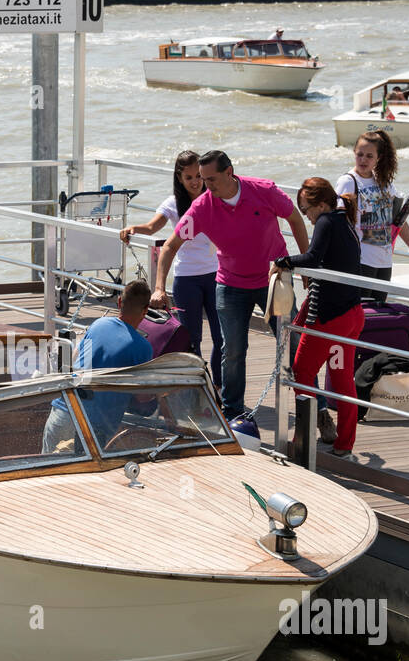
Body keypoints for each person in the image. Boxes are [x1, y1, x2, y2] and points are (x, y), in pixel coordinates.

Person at [149, 150, 309, 429]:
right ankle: (234, 413)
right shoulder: (201, 208)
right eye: (201, 179)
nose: (206, 185)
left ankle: (311, 410)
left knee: (294, 345)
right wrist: (159, 287)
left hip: (274, 280)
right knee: (232, 350)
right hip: (230, 284)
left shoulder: (265, 190)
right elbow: (170, 247)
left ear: (230, 172)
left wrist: (304, 265)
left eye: (211, 179)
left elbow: (296, 220)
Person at [274, 178, 364, 457]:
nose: (307, 217)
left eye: (307, 210)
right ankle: (344, 445)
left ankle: (304, 438)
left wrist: (283, 261)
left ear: (322, 204)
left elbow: (312, 257)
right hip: (351, 315)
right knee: (342, 380)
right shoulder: (345, 221)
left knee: (302, 373)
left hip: (328, 318)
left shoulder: (326, 221)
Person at [119, 150, 222, 390]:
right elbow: (153, 227)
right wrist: (134, 228)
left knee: (221, 338)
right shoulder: (173, 203)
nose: (196, 182)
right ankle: (196, 387)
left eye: (199, 176)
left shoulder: (214, 198)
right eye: (189, 177)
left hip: (216, 276)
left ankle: (219, 387)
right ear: (179, 178)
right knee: (192, 338)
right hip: (187, 279)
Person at [43, 279, 153, 452]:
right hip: (93, 427)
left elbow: (73, 360)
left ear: (119, 302)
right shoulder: (143, 347)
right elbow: (142, 397)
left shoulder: (97, 325)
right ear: (146, 310)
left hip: (63, 411)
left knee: (46, 474)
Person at [336, 130, 409, 302]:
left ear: (379, 157)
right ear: (354, 153)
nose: (363, 160)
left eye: (369, 156)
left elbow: (398, 222)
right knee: (361, 316)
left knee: (377, 317)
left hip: (384, 262)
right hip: (361, 260)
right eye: (360, 154)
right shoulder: (348, 182)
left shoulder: (384, 182)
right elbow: (337, 222)